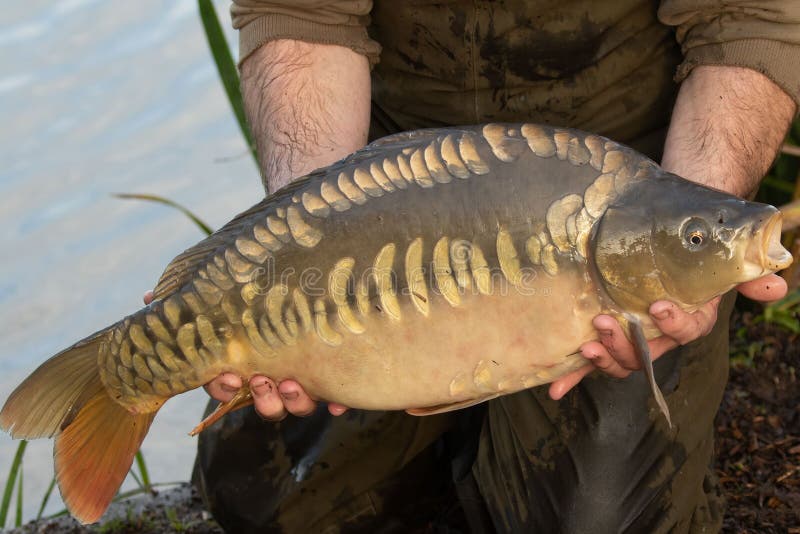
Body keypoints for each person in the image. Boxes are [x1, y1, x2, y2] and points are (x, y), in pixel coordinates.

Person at [183, 2, 799, 532]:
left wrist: (698, 213)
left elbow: (744, 18)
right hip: (392, 196)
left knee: (598, 522)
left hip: (619, 189)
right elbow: (305, 15)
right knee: (262, 495)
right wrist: (311, 242)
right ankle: (458, 438)